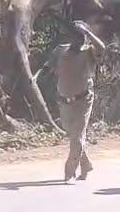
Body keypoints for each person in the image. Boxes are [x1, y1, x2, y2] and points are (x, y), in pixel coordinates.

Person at [42, 20, 107, 182]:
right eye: (77, 36)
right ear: (70, 37)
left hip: (83, 100)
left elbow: (102, 49)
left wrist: (88, 32)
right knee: (72, 135)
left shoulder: (89, 53)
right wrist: (39, 74)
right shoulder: (60, 51)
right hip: (64, 101)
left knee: (77, 137)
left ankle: (69, 173)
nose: (81, 40)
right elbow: (48, 65)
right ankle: (85, 164)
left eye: (83, 37)